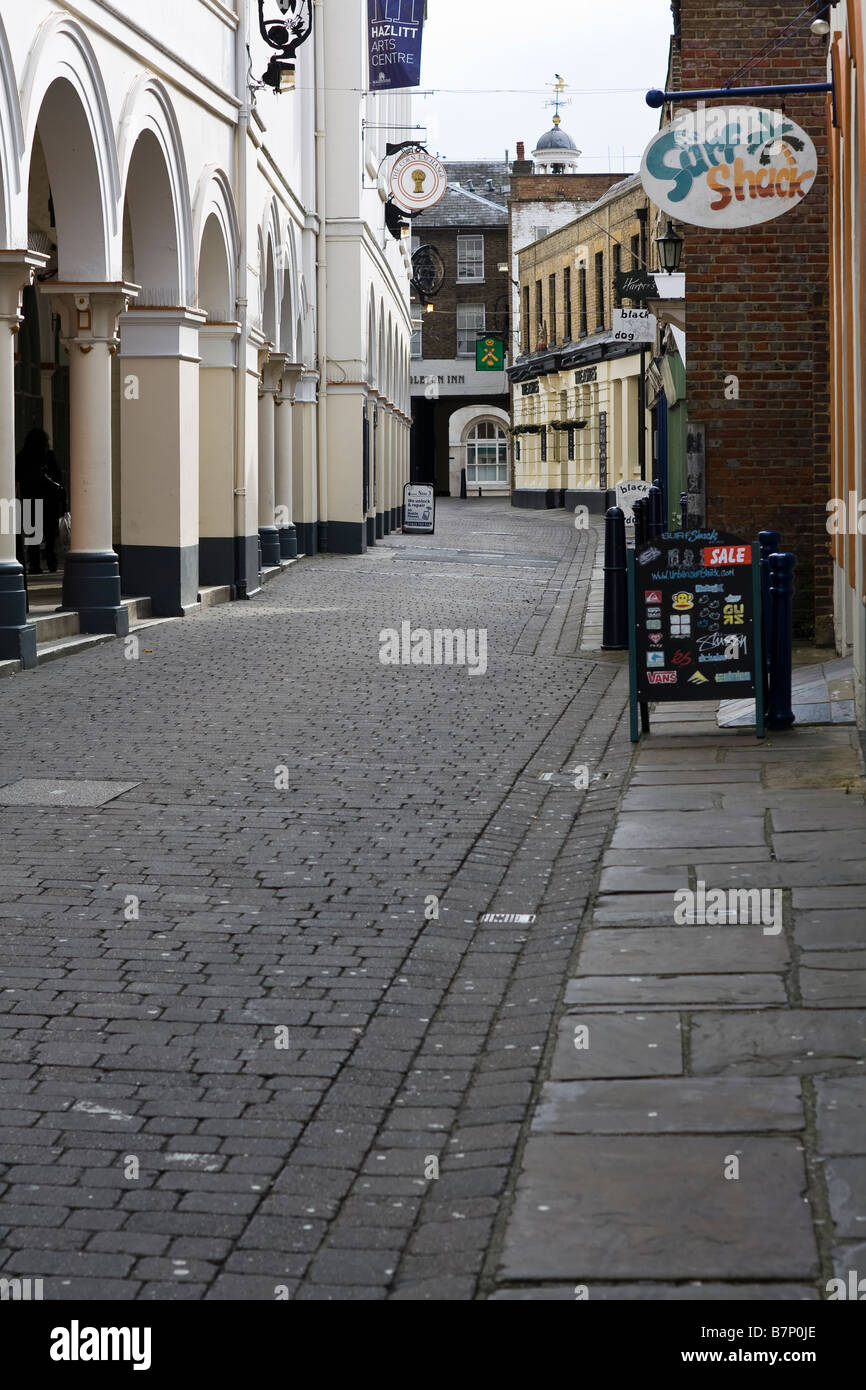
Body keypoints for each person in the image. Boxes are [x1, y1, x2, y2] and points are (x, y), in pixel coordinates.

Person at [15, 427, 67, 574]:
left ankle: (35, 564)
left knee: (33, 536)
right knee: (50, 535)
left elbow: (17, 478)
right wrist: (63, 501)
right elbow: (58, 478)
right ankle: (51, 561)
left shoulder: (22, 456)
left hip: (30, 499)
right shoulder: (48, 456)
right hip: (49, 500)